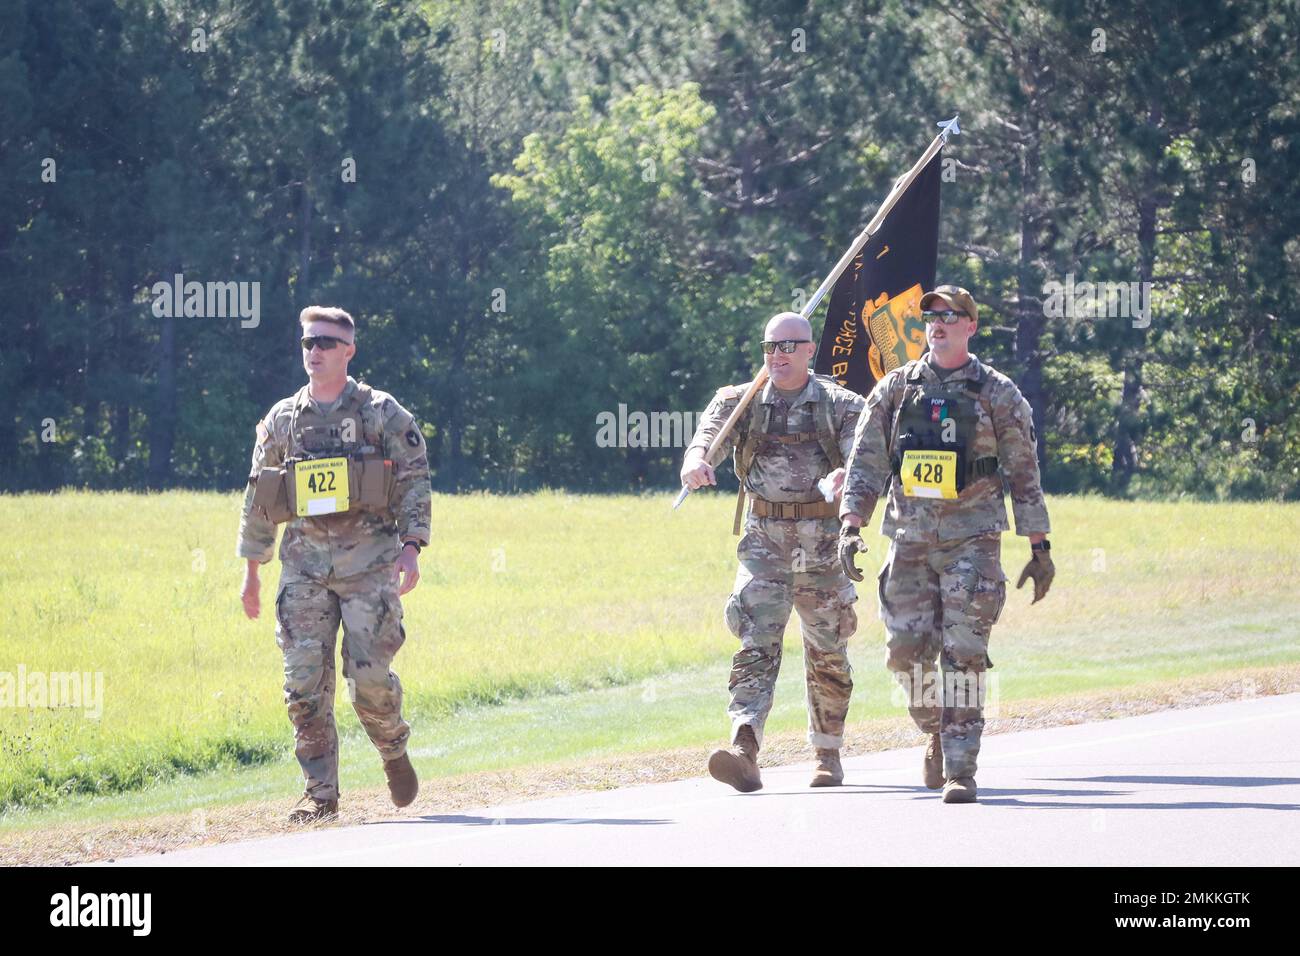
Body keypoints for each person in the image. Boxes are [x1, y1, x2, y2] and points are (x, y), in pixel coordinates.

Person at [837, 285, 1054, 804]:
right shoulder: (896, 388)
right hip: (908, 539)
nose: (937, 323)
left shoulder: (998, 393)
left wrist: (1039, 547)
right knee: (904, 655)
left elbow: (1024, 471)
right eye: (931, 315)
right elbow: (866, 461)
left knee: (965, 654)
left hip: (972, 541)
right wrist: (850, 525)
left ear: (971, 326)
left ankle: (961, 768)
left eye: (950, 316)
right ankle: (935, 727)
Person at [237, 306, 432, 823]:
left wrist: (412, 546)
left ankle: (392, 749)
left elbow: (414, 478)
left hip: (369, 567)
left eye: (326, 342)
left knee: (369, 680)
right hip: (304, 570)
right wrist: (252, 572)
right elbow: (259, 497)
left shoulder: (381, 413)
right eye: (308, 342)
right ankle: (320, 794)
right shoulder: (283, 419)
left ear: (349, 350)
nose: (315, 351)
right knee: (303, 685)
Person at [681, 311, 865, 791]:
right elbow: (706, 441)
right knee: (755, 642)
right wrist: (695, 463)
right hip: (764, 542)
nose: (777, 355)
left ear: (809, 350)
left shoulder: (842, 404)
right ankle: (744, 748)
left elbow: (865, 458)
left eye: (787, 346)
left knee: (828, 651)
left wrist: (847, 476)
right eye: (770, 347)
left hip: (822, 545)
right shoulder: (739, 401)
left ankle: (827, 752)